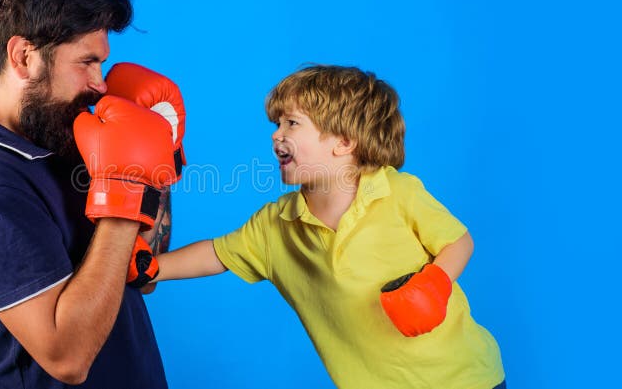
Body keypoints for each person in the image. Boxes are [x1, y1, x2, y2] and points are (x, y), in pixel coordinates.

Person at [150, 65, 506, 388]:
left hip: (468, 378)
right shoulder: (277, 225)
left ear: (344, 142)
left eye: (291, 123)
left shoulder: (396, 191)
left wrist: (434, 284)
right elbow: (217, 254)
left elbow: (459, 241)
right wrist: (147, 268)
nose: (276, 135)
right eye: (276, 124)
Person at [0, 0, 186, 388]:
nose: (100, 83)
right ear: (24, 57)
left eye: (102, 63)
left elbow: (143, 268)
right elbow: (68, 358)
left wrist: (161, 157)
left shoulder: (63, 131)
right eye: (86, 62)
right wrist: (123, 189)